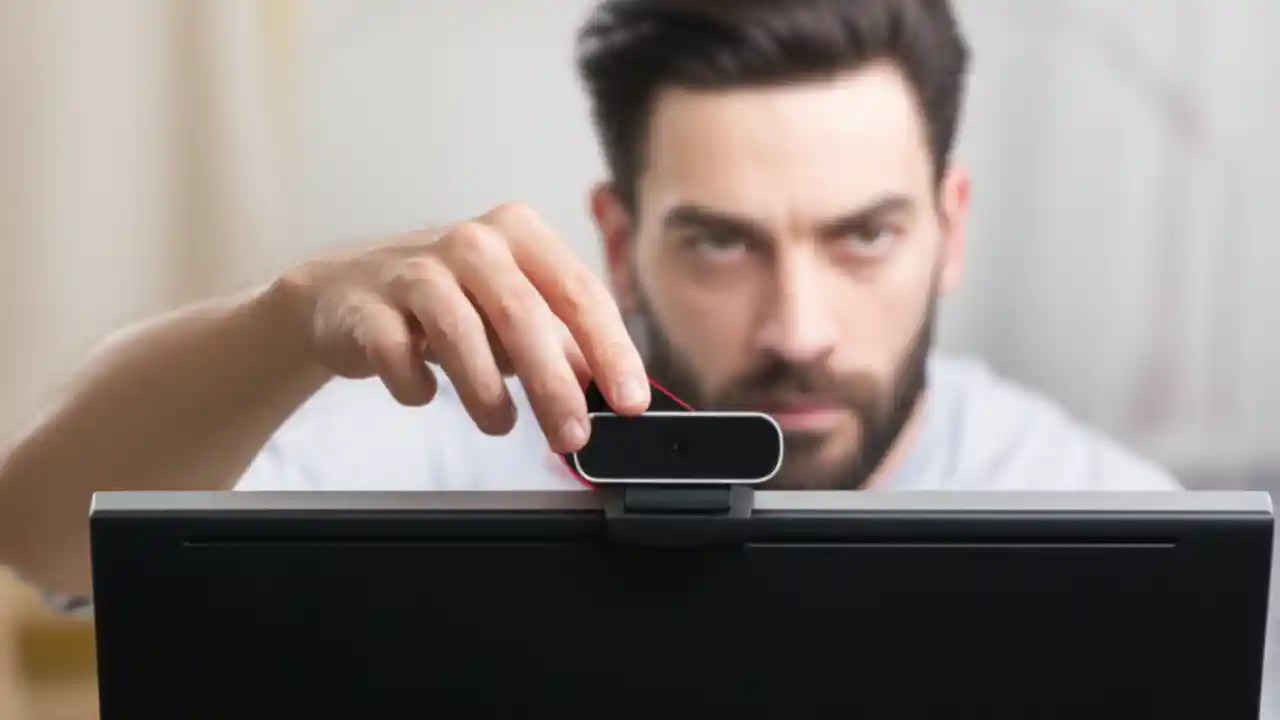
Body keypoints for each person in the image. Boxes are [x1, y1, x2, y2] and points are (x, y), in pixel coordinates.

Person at [0, 0, 1179, 604]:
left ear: (949, 228)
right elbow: (43, 533)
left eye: (862, 235)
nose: (797, 329)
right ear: (615, 240)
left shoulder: (1121, 534)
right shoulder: (428, 451)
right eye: (718, 243)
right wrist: (285, 315)